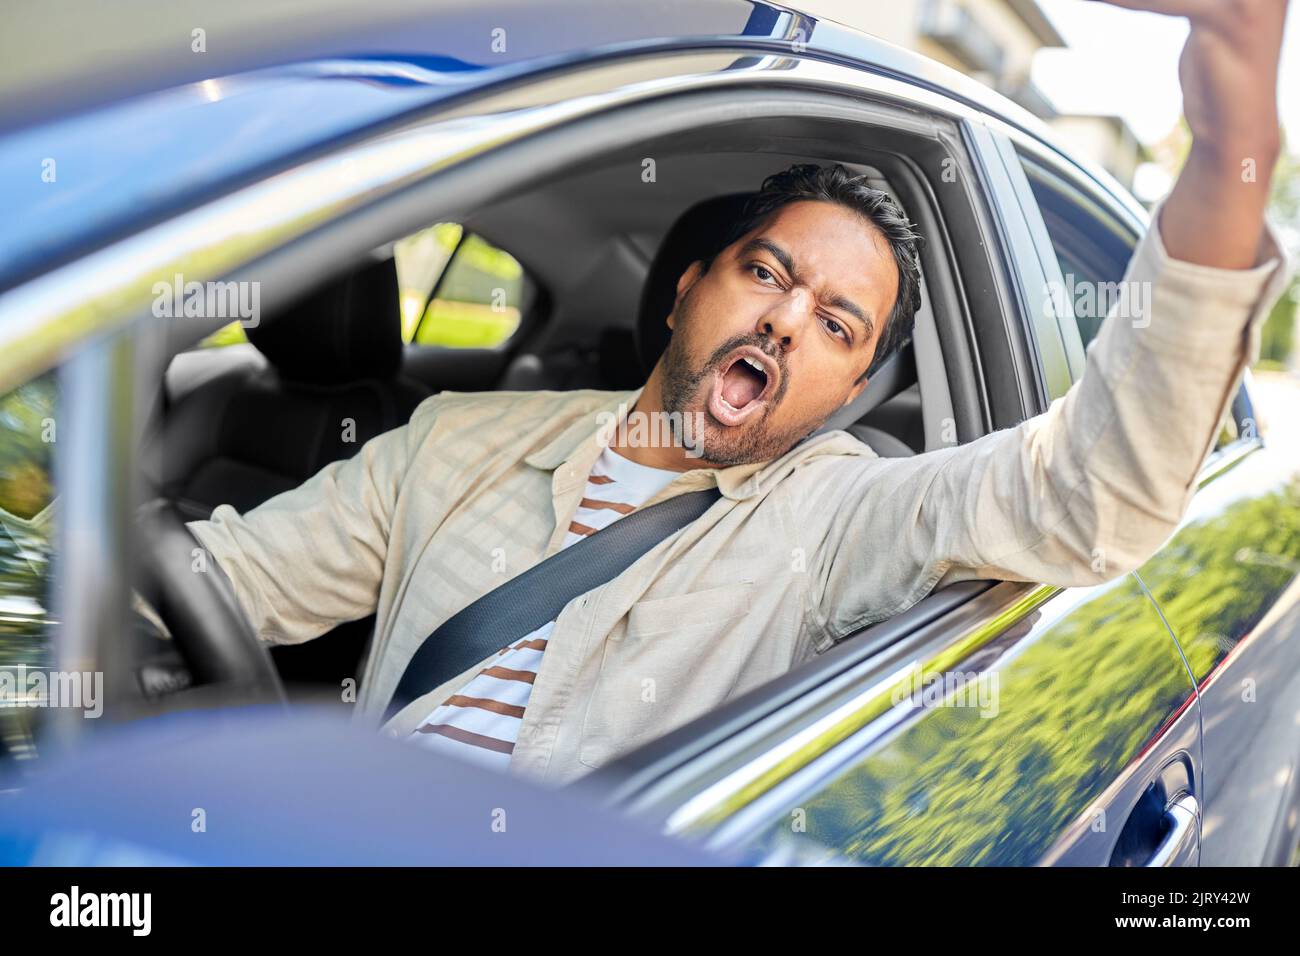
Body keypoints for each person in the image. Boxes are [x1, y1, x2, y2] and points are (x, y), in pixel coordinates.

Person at [185, 0, 1295, 785]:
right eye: (767, 272)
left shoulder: (836, 515)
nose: (783, 319)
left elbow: (1088, 493)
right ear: (686, 290)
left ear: (852, 385)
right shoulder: (452, 438)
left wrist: (1232, 152)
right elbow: (220, 586)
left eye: (835, 323)